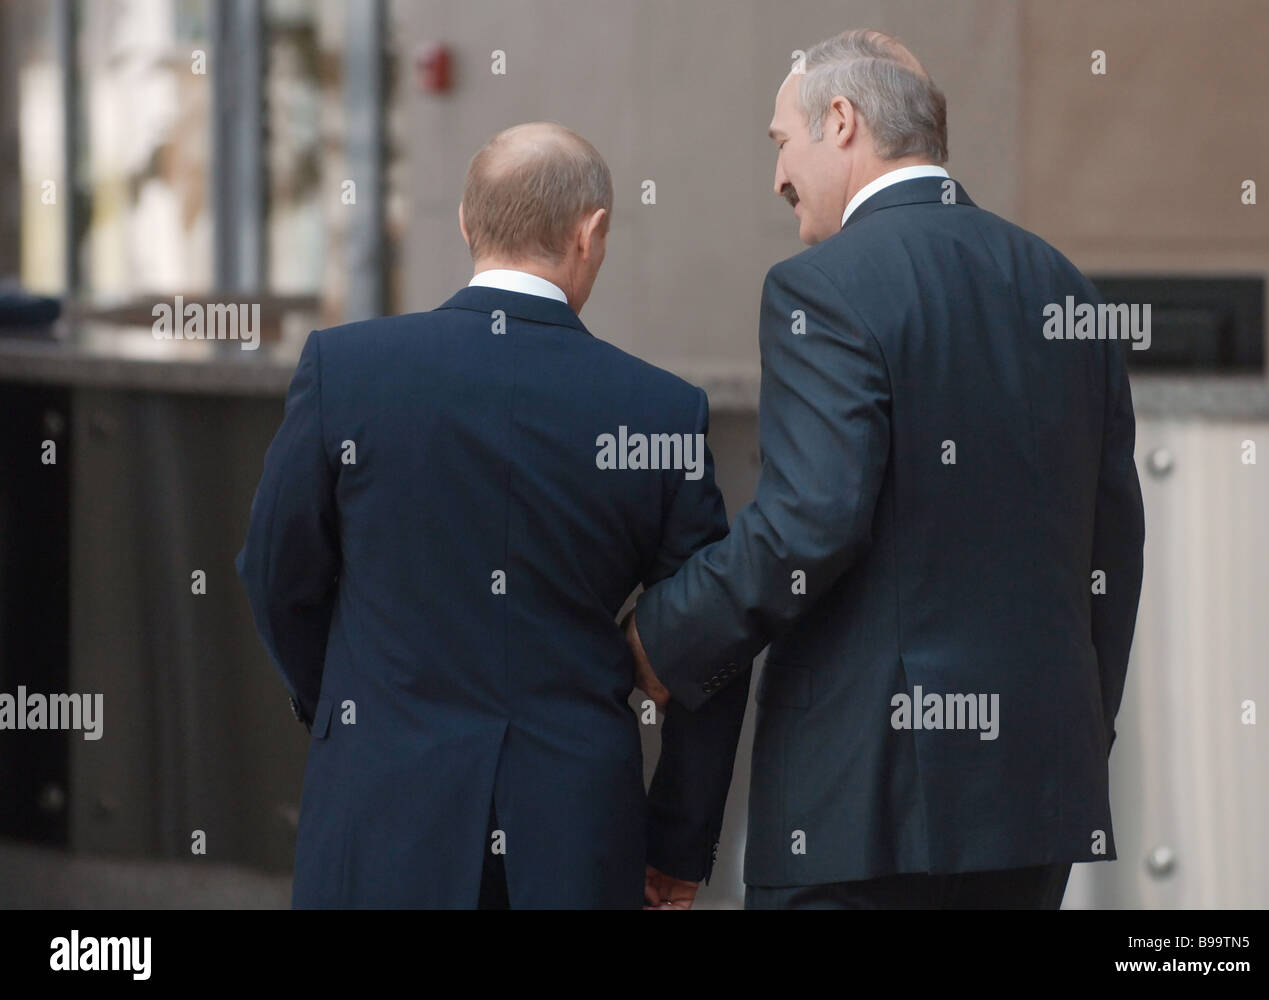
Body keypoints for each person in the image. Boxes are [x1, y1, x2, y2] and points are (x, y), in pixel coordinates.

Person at [626, 29, 1145, 909]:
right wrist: (1076, 733)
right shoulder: (1068, 289)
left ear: (842, 121)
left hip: (864, 805)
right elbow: (1114, 551)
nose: (777, 176)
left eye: (780, 142)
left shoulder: (822, 287)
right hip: (1032, 799)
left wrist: (660, 637)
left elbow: (808, 524)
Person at [237, 122, 750, 908]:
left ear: (468, 225)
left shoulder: (346, 371)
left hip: (381, 814)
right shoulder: (659, 413)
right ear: (594, 233)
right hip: (573, 837)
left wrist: (349, 705)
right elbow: (712, 636)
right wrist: (679, 842)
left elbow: (274, 574)